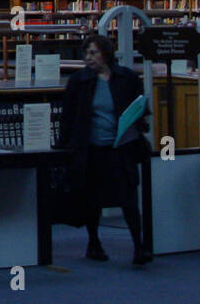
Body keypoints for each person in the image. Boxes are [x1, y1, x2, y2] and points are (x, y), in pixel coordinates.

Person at [58, 34, 151, 265]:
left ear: (106, 54)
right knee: (92, 199)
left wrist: (138, 125)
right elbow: (68, 117)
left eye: (93, 52)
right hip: (91, 148)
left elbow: (140, 109)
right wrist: (64, 149)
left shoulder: (127, 78)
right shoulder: (79, 81)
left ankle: (138, 247)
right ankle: (94, 242)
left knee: (129, 199)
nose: (88, 58)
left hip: (121, 147)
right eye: (86, 53)